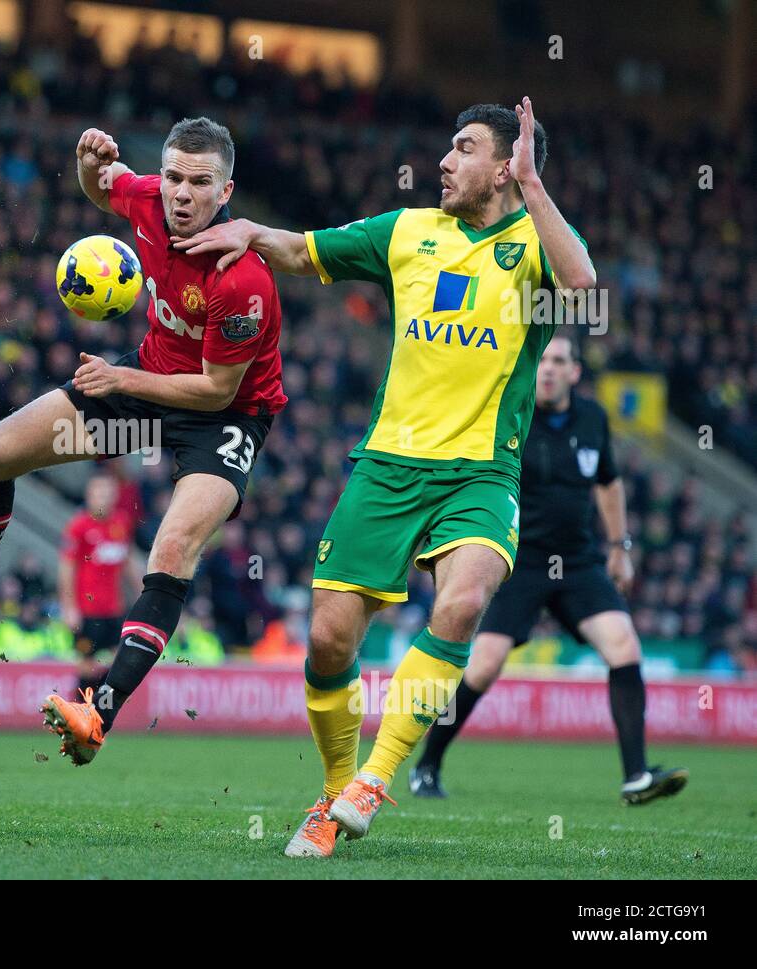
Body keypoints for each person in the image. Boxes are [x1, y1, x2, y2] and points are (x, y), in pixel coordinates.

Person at [179, 98, 597, 857]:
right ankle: (337, 787)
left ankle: (376, 775)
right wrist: (250, 232)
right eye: (447, 145)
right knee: (330, 643)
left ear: (504, 166)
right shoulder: (407, 232)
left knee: (464, 599)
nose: (444, 160)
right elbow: (307, 251)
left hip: (480, 473)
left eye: (464, 148)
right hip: (387, 467)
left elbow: (583, 285)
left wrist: (535, 189)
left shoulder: (534, 248)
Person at [0, 117, 287, 764]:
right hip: (146, 390)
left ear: (226, 190)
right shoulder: (153, 199)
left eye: (199, 183)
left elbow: (215, 390)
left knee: (173, 546)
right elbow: (105, 190)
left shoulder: (243, 279)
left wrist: (121, 375)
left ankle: (98, 712)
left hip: (225, 418)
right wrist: (86, 162)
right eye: (175, 177)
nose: (181, 194)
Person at [410, 336, 688, 804]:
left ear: (576, 372)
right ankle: (427, 766)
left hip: (578, 560)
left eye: (559, 361)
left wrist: (620, 547)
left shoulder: (594, 418)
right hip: (519, 560)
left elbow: (608, 482)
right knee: (485, 663)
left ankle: (636, 777)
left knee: (623, 645)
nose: (548, 370)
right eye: (542, 361)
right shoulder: (507, 410)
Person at [59, 472, 141, 696]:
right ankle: (79, 710)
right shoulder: (79, 526)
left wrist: (142, 592)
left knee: (117, 658)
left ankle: (96, 709)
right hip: (87, 611)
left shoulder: (121, 523)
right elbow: (67, 568)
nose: (104, 497)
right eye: (99, 492)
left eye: (108, 492)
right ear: (89, 495)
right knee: (86, 663)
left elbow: (128, 560)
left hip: (114, 609)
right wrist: (69, 607)